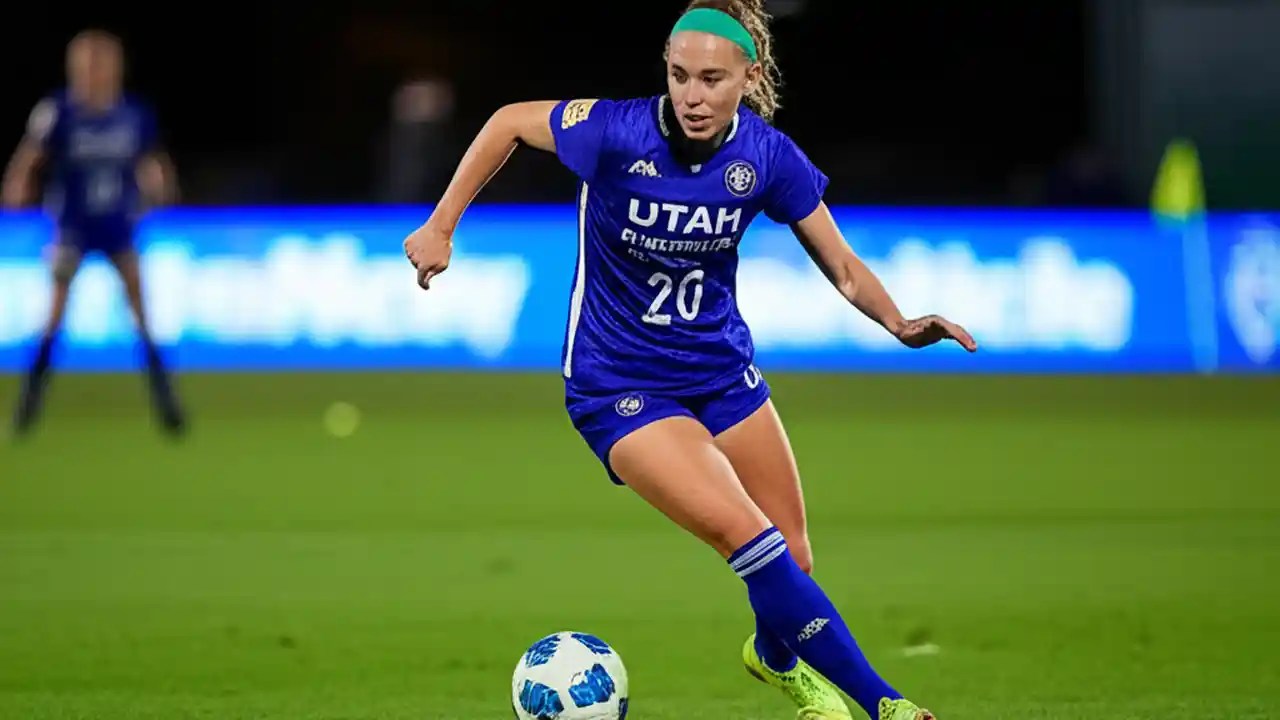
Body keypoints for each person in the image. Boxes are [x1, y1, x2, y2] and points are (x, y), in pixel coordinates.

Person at [403, 2, 976, 718]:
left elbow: (845, 267)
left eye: (711, 78)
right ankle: (884, 705)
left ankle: (772, 661)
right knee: (748, 537)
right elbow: (509, 122)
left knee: (792, 558)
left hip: (719, 373)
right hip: (619, 385)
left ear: (748, 76)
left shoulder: (766, 156)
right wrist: (441, 223)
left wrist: (899, 321)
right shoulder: (614, 131)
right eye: (679, 76)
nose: (692, 95)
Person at [3, 29, 185, 438]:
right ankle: (27, 407)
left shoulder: (133, 114)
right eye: (85, 65)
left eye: (99, 64)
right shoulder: (59, 111)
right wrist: (18, 183)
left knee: (141, 310)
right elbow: (31, 156)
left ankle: (167, 405)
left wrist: (159, 182)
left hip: (118, 224)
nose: (92, 73)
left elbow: (151, 159)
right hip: (73, 226)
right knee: (54, 313)